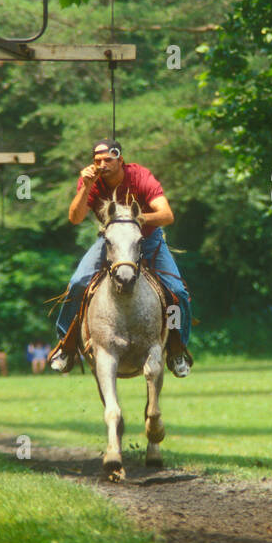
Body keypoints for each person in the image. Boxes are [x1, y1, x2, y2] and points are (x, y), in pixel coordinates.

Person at [49, 139, 192, 377]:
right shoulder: (90, 181)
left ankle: (177, 348)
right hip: (111, 243)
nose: (102, 164)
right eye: (97, 161)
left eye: (108, 160)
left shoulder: (140, 177)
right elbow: (75, 218)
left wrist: (133, 220)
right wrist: (86, 186)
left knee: (177, 291)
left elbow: (166, 215)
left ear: (120, 160)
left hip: (148, 240)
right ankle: (67, 345)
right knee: (77, 283)